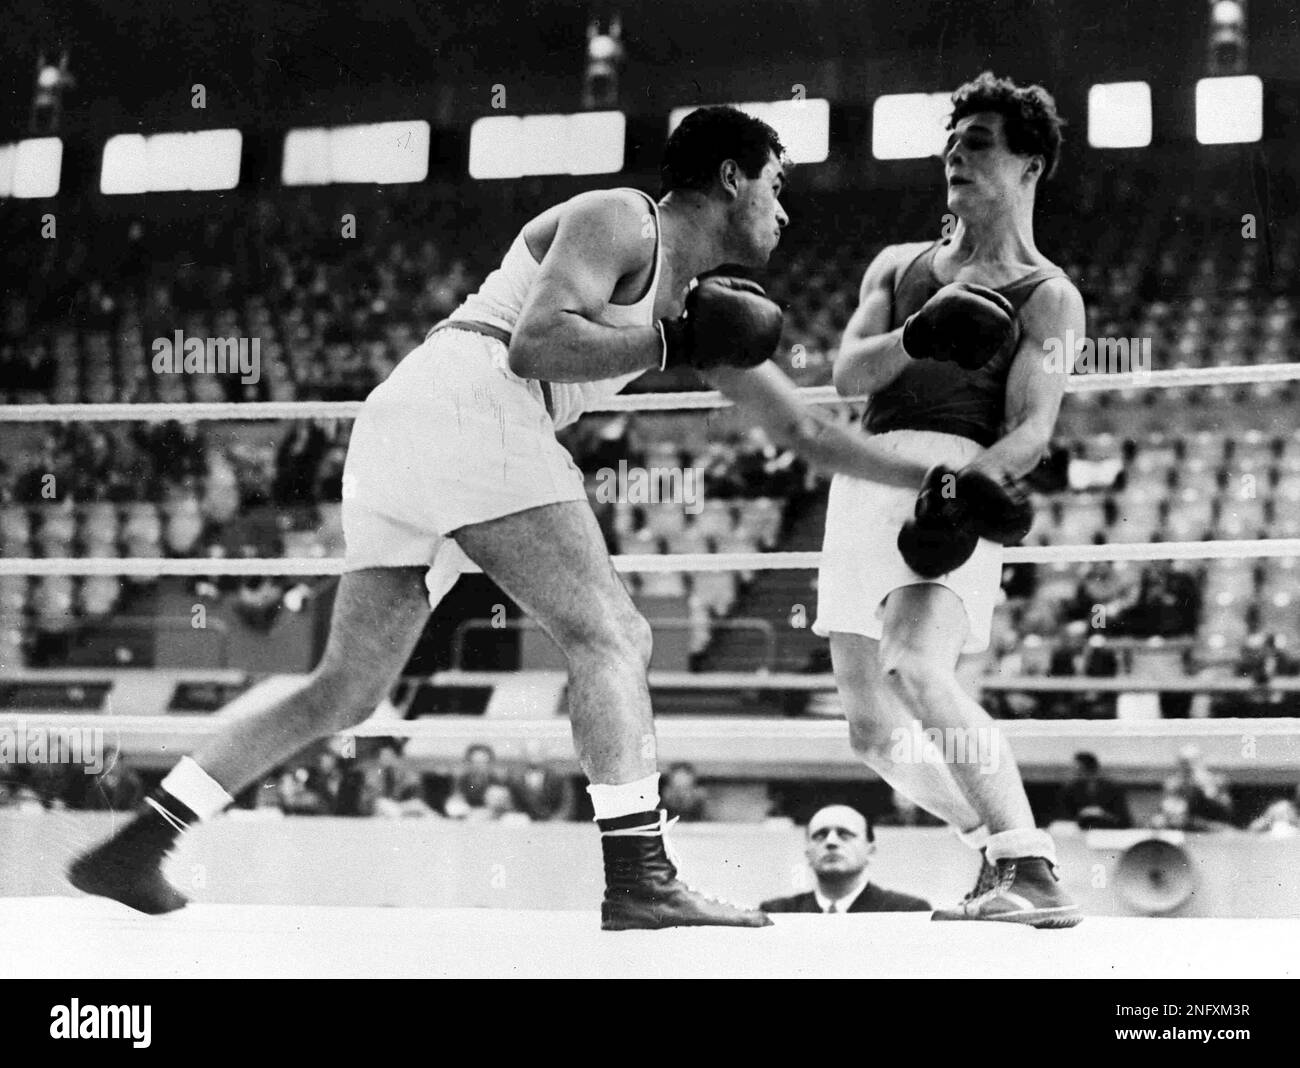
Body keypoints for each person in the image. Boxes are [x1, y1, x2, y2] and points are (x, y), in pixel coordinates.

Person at [70, 106, 932, 931]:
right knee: (614, 637)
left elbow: (800, 429)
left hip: (414, 425)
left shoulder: (696, 298)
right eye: (777, 186)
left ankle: (139, 842)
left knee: (346, 690)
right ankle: (641, 879)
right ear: (731, 178)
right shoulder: (623, 218)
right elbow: (534, 343)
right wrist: (671, 346)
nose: (786, 210)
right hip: (475, 393)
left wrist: (932, 476)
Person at [816, 73, 1086, 927]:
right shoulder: (899, 266)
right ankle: (992, 846)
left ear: (1030, 165)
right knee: (870, 731)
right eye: (951, 142)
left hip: (952, 471)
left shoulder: (1048, 294)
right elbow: (846, 374)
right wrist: (921, 329)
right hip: (863, 471)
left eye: (979, 144)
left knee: (917, 668)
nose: (955, 157)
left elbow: (1031, 428)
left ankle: (1029, 863)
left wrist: (963, 491)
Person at [760, 805, 930, 914]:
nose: (831, 842)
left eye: (845, 834)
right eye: (820, 835)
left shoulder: (906, 911)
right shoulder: (778, 914)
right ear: (807, 854)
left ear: (870, 851)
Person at [1055, 752, 1131, 829]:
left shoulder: (1112, 789)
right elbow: (1064, 818)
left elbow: (1124, 820)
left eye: (1078, 770)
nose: (1073, 774)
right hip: (1080, 832)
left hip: (1106, 831)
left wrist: (1103, 814)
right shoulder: (1070, 790)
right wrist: (1082, 815)